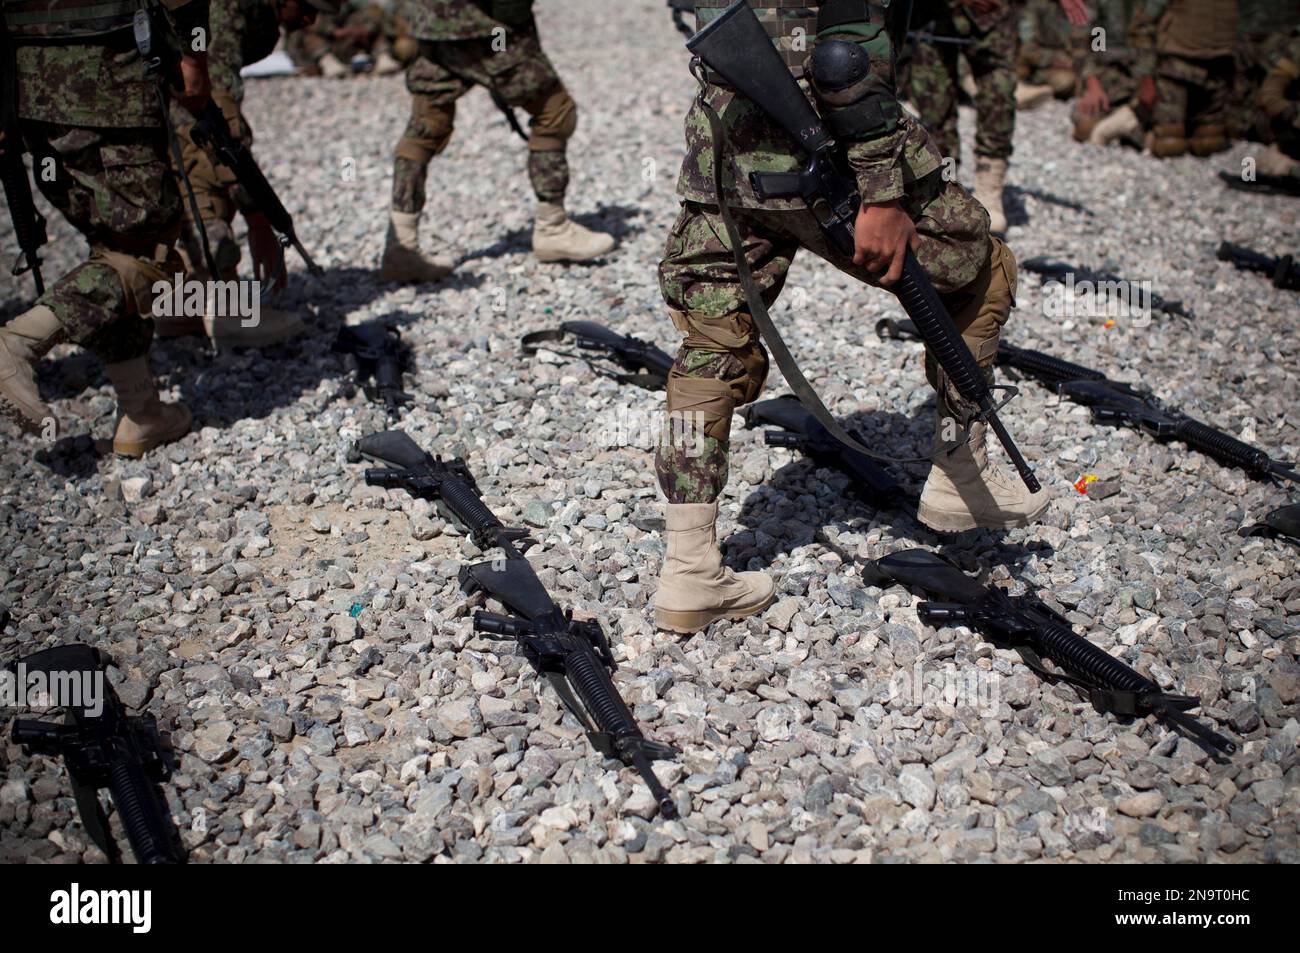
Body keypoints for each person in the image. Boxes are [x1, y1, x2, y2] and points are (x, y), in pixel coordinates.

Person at [652, 0, 1049, 635]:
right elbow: (846, 56)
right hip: (833, 161)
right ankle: (959, 471)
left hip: (728, 160)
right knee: (981, 269)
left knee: (709, 345)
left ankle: (689, 564)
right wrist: (883, 192)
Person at [0, 0, 208, 456]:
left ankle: (141, 411)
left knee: (111, 244)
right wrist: (195, 53)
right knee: (150, 250)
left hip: (27, 87)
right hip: (107, 77)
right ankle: (21, 341)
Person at [379, 0, 615, 282]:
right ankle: (553, 228)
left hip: (432, 25)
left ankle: (401, 246)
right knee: (555, 112)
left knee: (427, 127)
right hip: (488, 27)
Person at [162, 0, 336, 348]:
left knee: (183, 166)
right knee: (205, 161)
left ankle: (181, 309)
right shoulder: (227, 10)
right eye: (306, 5)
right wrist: (260, 221)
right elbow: (215, 116)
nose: (308, 20)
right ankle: (227, 314)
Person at [905, 0, 1088, 235]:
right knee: (935, 106)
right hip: (934, 15)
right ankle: (944, 191)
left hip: (991, 15)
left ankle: (989, 189)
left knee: (998, 94)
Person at [1142, 0, 1239, 158]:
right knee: (1169, 145)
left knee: (1210, 145)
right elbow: (1143, 24)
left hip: (1218, 68)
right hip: (1176, 67)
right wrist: (1146, 77)